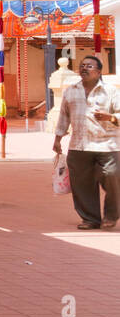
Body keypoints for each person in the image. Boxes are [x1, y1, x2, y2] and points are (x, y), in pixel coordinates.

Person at [52, 54, 120, 229]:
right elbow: (63, 117)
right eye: (82, 65)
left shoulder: (111, 91)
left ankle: (111, 215)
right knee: (82, 184)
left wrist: (110, 117)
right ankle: (90, 219)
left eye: (89, 66)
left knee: (112, 176)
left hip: (108, 144)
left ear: (98, 72)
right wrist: (58, 139)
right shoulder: (71, 91)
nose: (84, 68)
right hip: (79, 145)